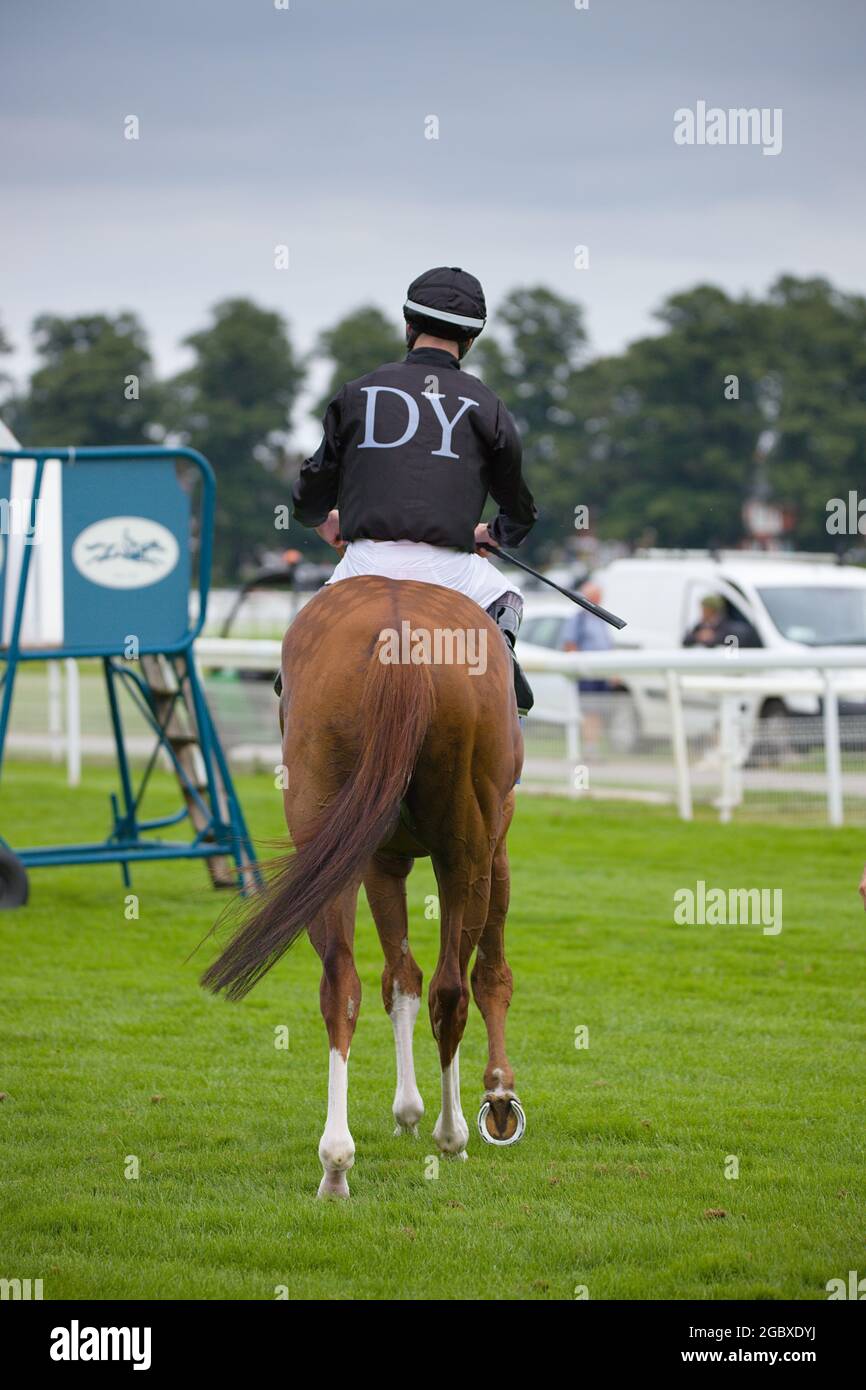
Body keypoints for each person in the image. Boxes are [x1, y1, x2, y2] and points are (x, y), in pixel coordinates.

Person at [289, 266, 538, 713]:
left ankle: (291, 699)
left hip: (363, 563)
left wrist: (323, 521)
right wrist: (492, 534)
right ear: (470, 341)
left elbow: (309, 494)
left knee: (300, 653)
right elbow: (521, 512)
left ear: (409, 326)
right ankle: (506, 704)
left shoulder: (356, 394)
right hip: (453, 572)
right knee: (508, 598)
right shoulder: (488, 407)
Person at [683, 593, 759, 649]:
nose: (702, 612)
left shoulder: (727, 626)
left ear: (712, 610)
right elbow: (685, 641)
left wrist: (713, 637)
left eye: (705, 609)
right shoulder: (701, 625)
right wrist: (698, 636)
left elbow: (732, 641)